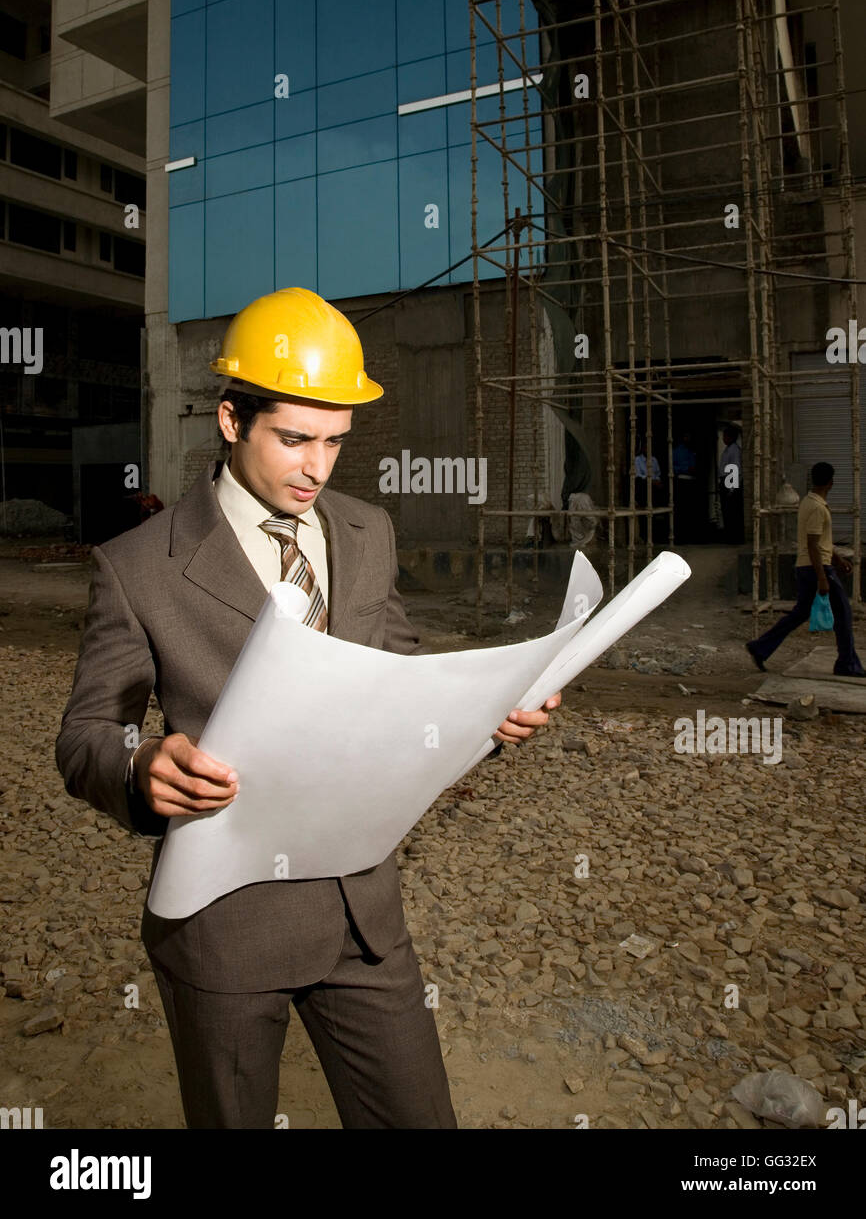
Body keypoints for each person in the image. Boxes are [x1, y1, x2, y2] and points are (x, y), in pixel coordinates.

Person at [56, 286, 562, 1130]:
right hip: (224, 928)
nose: (316, 468)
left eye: (334, 442)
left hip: (363, 916)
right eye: (294, 439)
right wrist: (141, 766)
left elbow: (398, 685)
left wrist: (485, 714)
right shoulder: (136, 567)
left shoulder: (366, 533)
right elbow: (83, 739)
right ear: (229, 420)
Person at [746, 460, 864, 677]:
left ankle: (760, 647)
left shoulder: (808, 502)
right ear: (830, 482)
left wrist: (838, 561)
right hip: (816, 568)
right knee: (843, 614)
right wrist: (822, 577)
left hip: (808, 566)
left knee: (800, 613)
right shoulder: (818, 508)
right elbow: (813, 544)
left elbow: (820, 543)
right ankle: (847, 663)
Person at [719, 424, 744, 544]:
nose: (723, 438)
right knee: (727, 511)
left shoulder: (734, 450)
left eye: (725, 436)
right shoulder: (728, 449)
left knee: (732, 512)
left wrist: (731, 488)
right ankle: (730, 536)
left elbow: (734, 468)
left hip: (730, 482)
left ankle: (734, 538)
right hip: (726, 481)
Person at [635, 440, 661, 543]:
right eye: (646, 448)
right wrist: (650, 480)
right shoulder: (637, 460)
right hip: (643, 486)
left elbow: (658, 473)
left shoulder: (654, 460)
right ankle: (644, 536)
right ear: (642, 449)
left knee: (653, 512)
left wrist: (657, 480)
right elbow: (638, 475)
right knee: (644, 513)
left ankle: (654, 535)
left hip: (653, 487)